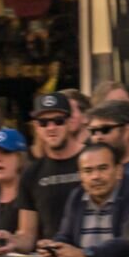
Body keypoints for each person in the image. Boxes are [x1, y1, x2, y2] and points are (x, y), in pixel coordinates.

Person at [23, 93, 85, 241]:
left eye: (58, 121)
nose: (51, 128)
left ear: (70, 122)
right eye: (43, 123)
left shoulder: (94, 159)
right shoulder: (31, 173)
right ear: (36, 127)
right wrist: (10, 241)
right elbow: (26, 234)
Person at [85, 101, 129, 186]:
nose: (98, 137)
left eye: (105, 129)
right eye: (93, 131)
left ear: (127, 131)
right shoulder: (89, 174)